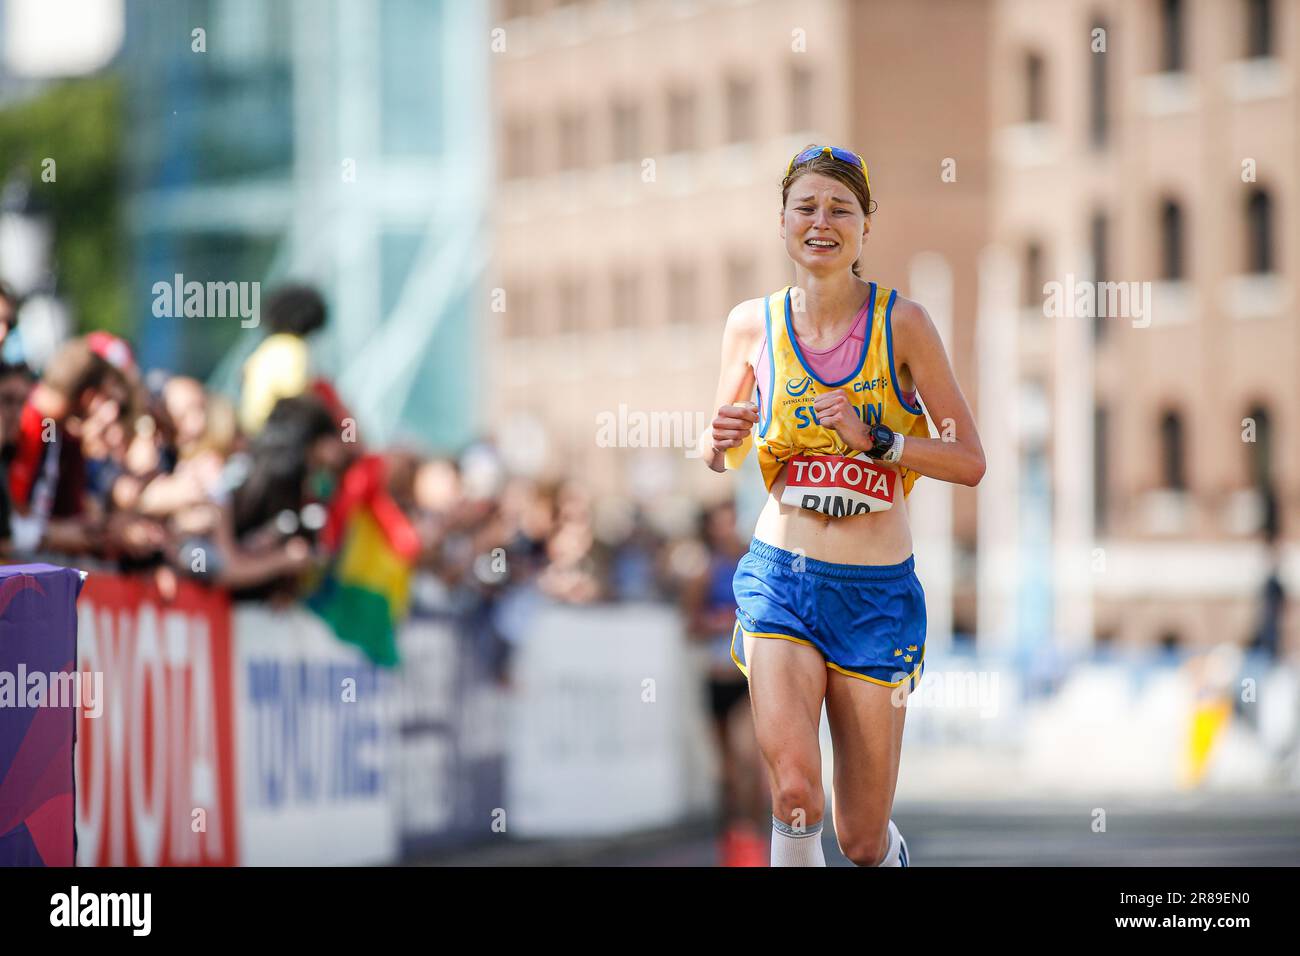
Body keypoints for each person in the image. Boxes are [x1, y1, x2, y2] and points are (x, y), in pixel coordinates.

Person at [704, 145, 985, 867]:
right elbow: (723, 449)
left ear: (866, 227)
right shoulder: (750, 326)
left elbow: (968, 460)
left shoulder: (905, 325)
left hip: (874, 595)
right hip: (781, 584)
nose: (821, 222)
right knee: (795, 791)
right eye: (807, 207)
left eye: (840, 209)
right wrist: (717, 439)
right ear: (783, 223)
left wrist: (880, 439)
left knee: (860, 840)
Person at [681, 500, 767, 866]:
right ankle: (733, 840)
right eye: (721, 524)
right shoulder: (704, 570)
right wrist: (716, 623)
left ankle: (757, 837)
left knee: (750, 758)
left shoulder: (757, 565)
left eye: (733, 523)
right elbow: (690, 625)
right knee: (727, 769)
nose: (728, 530)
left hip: (749, 679)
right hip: (716, 677)